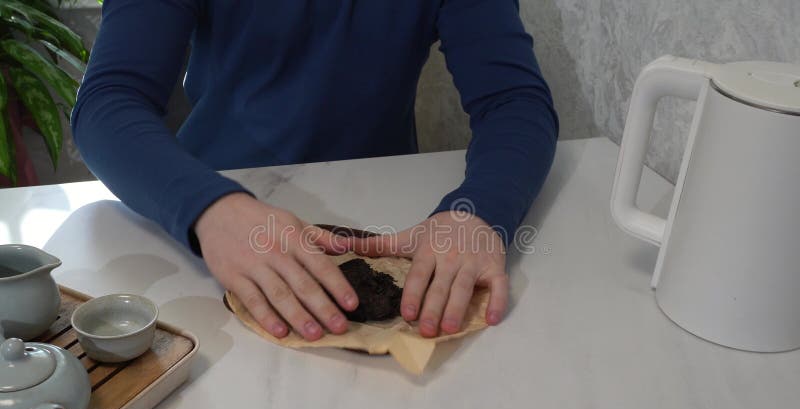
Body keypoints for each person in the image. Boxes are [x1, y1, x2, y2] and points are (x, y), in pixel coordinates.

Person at [72, 0, 558, 342]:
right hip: (205, 225)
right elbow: (106, 105)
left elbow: (514, 100)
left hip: (383, 225)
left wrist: (479, 212)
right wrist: (209, 209)